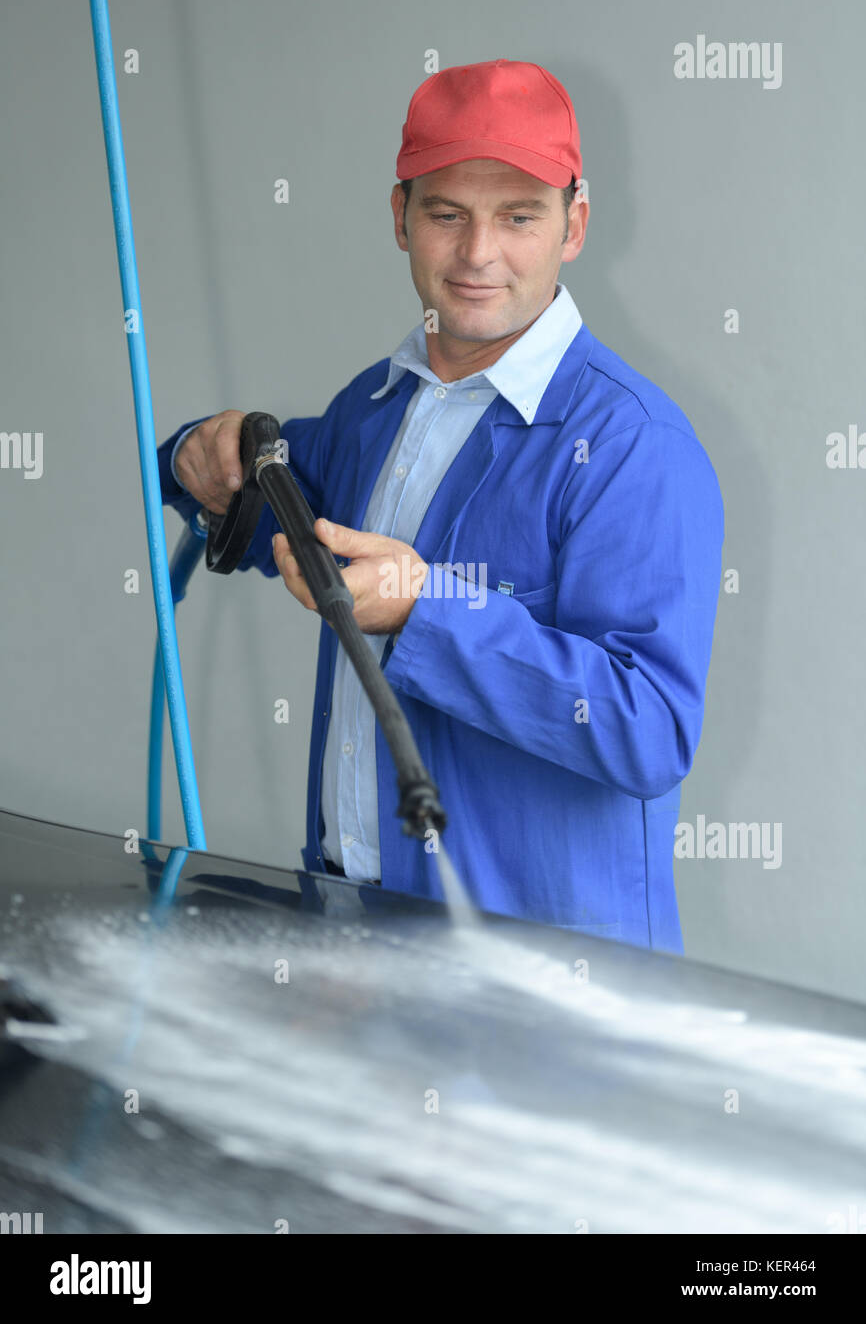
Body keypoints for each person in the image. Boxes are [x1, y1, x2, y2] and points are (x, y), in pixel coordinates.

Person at [158, 59, 724, 952]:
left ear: (575, 225)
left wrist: (429, 607)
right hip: (354, 947)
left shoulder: (632, 446)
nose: (477, 255)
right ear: (400, 218)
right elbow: (248, 485)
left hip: (549, 1000)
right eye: (447, 213)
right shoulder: (372, 412)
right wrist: (198, 450)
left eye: (519, 217)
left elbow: (646, 730)